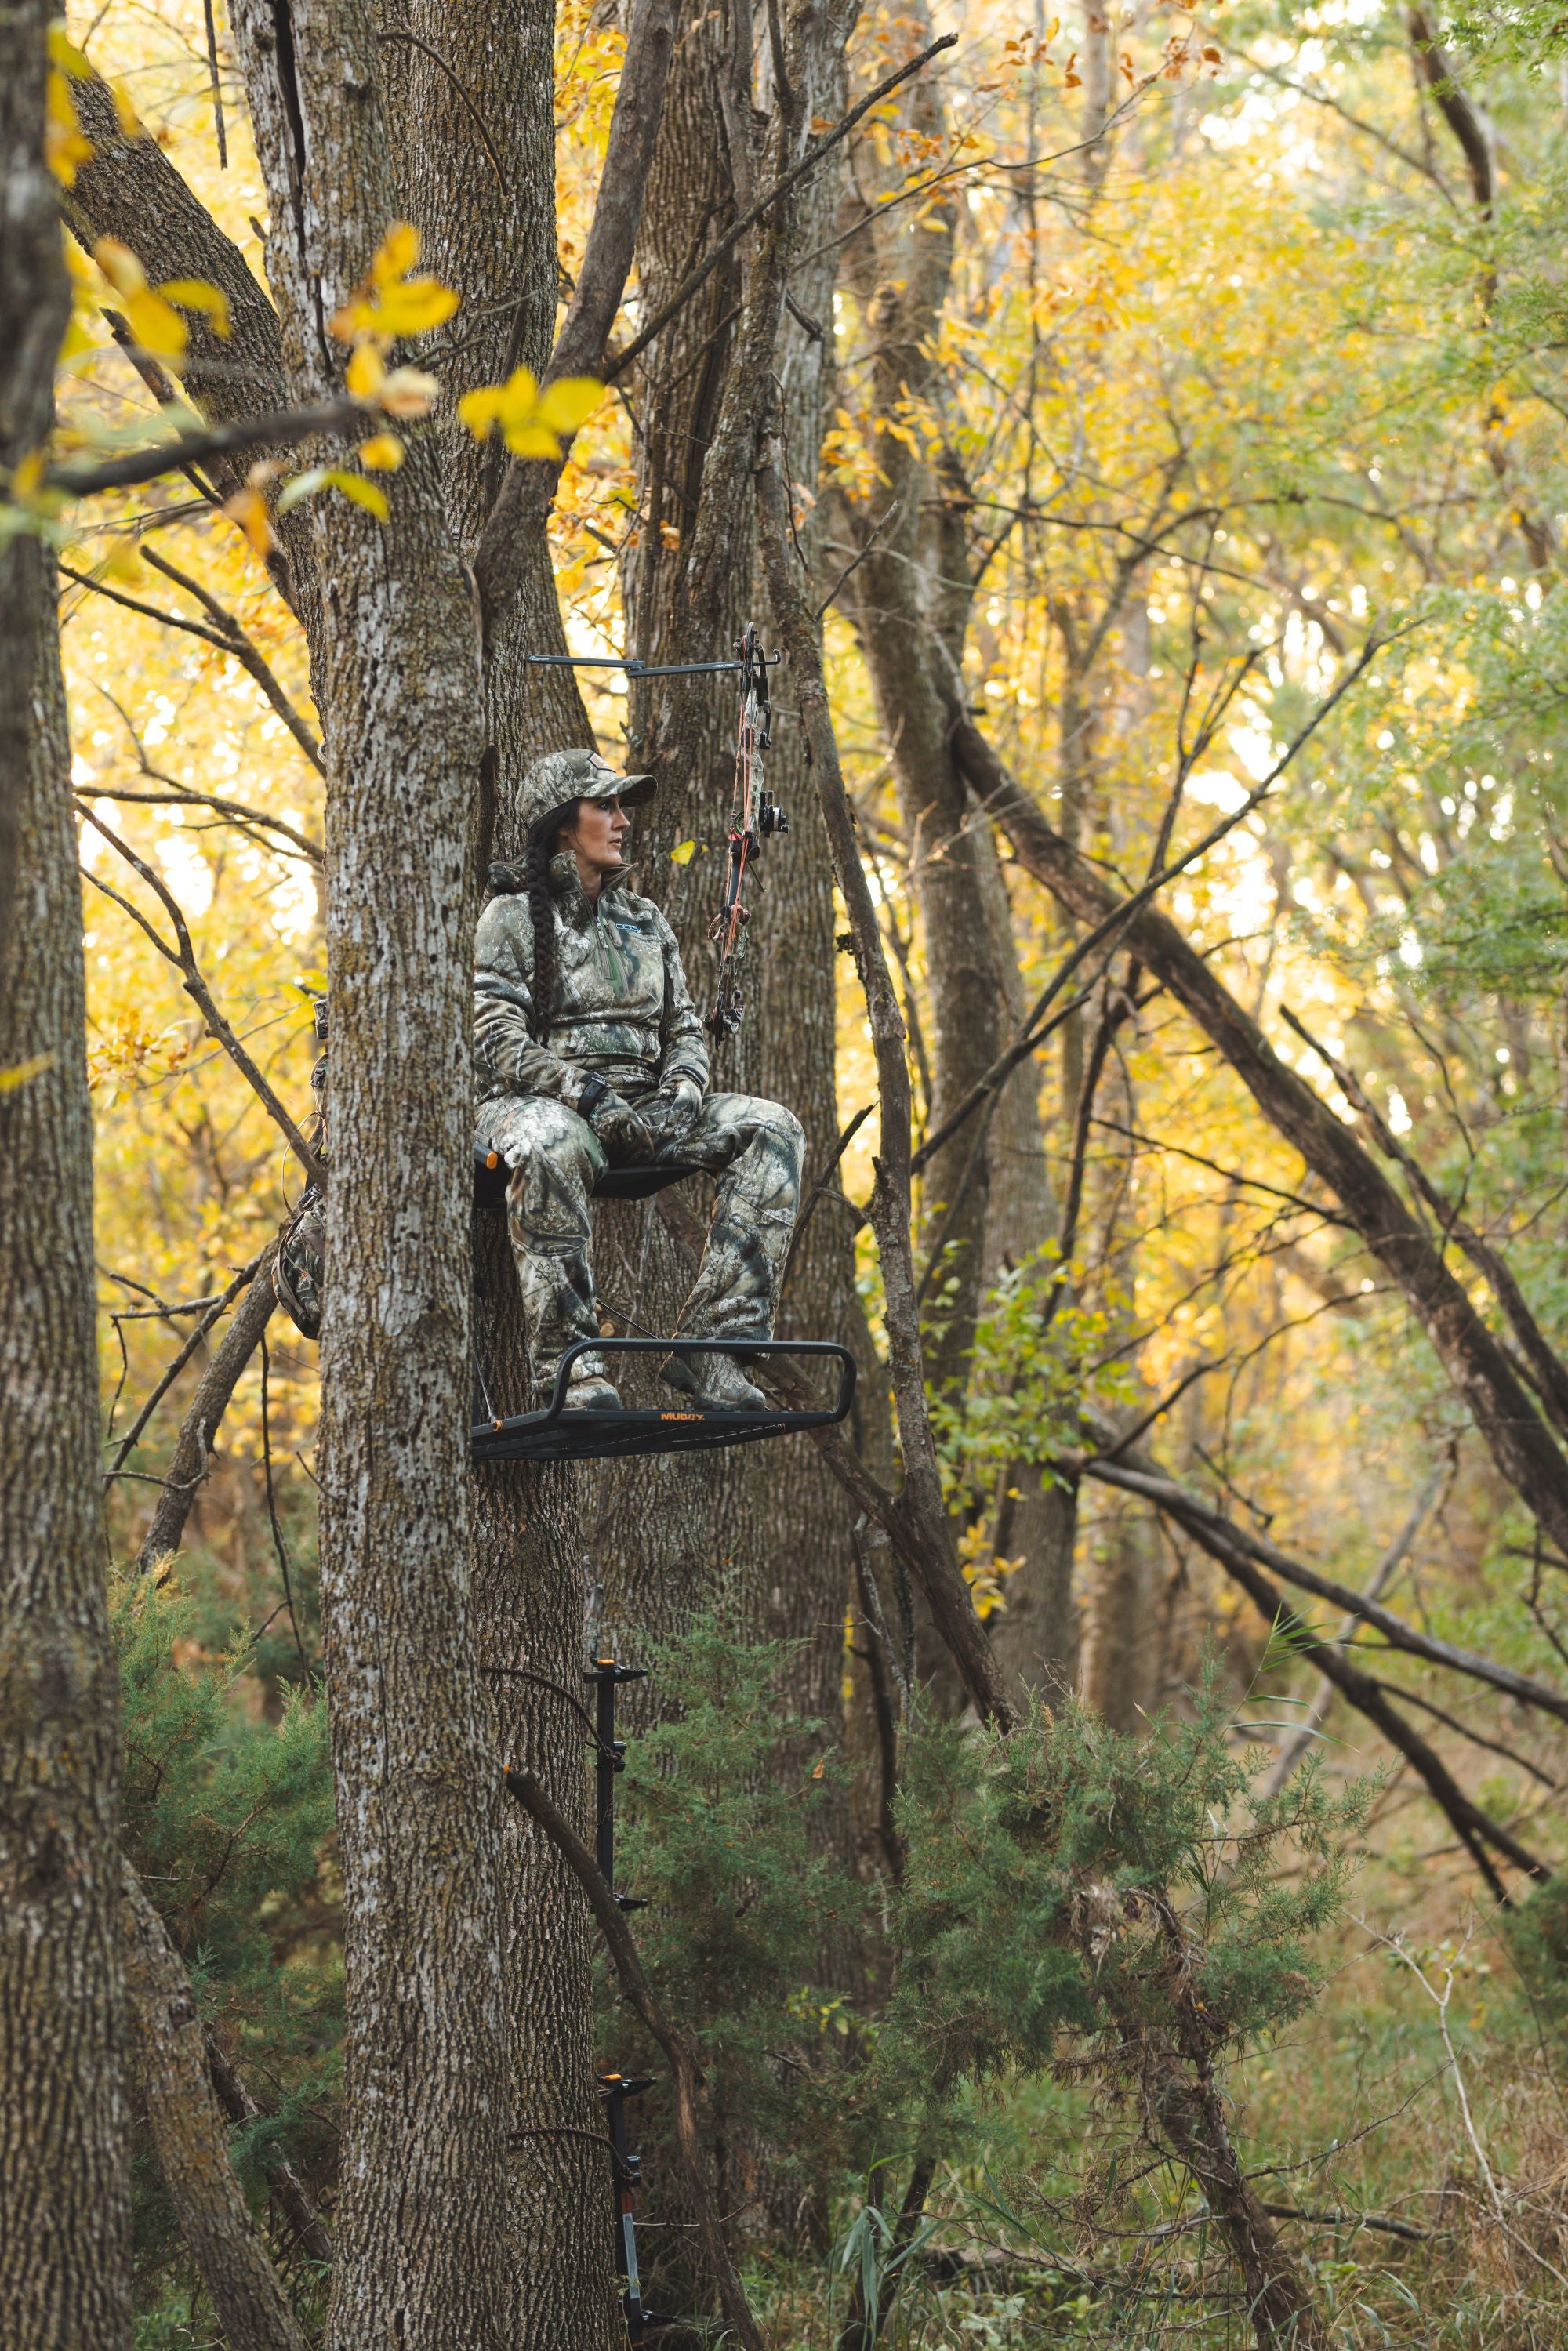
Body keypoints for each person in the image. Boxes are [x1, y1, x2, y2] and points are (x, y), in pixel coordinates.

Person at [474, 746, 804, 1413]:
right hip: (540, 1109)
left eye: (623, 806)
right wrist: (587, 1097)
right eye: (607, 806)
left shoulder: (646, 920)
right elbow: (496, 1039)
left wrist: (683, 1089)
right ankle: (573, 1372)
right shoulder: (508, 918)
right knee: (549, 1140)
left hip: (645, 1113)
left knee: (772, 1127)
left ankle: (715, 1353)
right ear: (565, 824)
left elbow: (683, 1026)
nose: (622, 821)